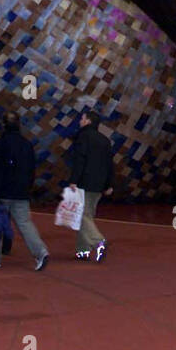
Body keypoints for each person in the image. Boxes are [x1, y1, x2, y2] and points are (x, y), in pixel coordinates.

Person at [0, 113, 49, 271]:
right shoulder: (27, 144)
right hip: (21, 192)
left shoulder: (2, 144)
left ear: (4, 125)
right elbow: (31, 170)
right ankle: (41, 252)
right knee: (25, 224)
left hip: (4, 191)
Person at [66, 107, 114, 263]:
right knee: (87, 215)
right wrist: (109, 184)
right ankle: (82, 250)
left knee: (82, 215)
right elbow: (109, 164)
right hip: (99, 185)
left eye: (82, 118)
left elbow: (80, 160)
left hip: (84, 182)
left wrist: (73, 180)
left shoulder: (83, 137)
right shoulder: (105, 140)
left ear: (88, 121)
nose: (80, 121)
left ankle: (98, 241)